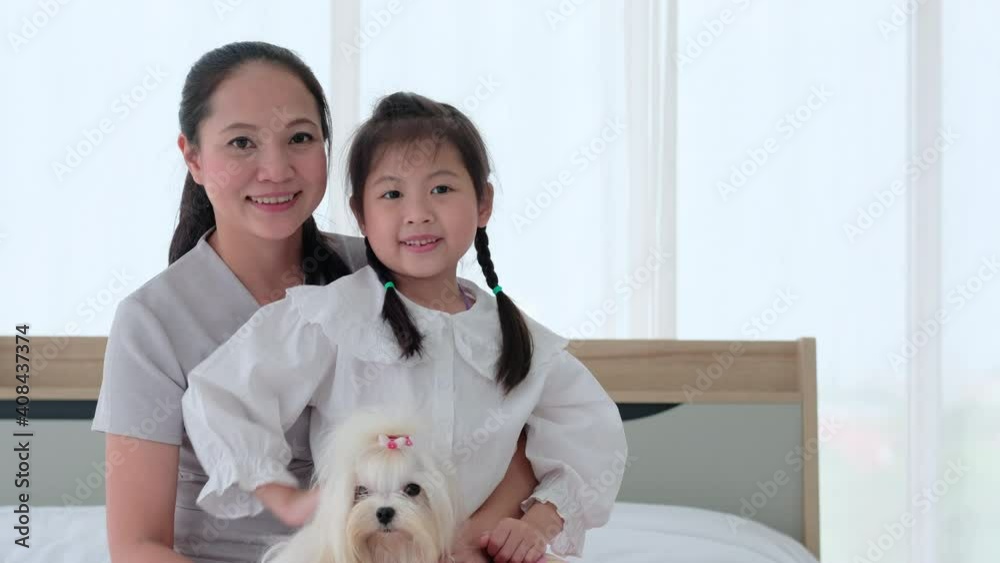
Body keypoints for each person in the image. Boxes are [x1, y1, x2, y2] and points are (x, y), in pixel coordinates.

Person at [92, 42, 537, 563]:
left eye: (300, 137)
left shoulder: (385, 271)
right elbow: (136, 546)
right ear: (193, 157)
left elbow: (521, 418)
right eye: (241, 143)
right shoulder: (152, 320)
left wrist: (467, 539)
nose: (276, 169)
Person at [181, 91, 628, 562]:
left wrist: (536, 522)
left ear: (483, 203)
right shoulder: (332, 318)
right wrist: (284, 498)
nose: (418, 213)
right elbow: (223, 391)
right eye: (392, 194)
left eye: (441, 189)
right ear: (361, 214)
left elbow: (591, 439)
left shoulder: (523, 340)